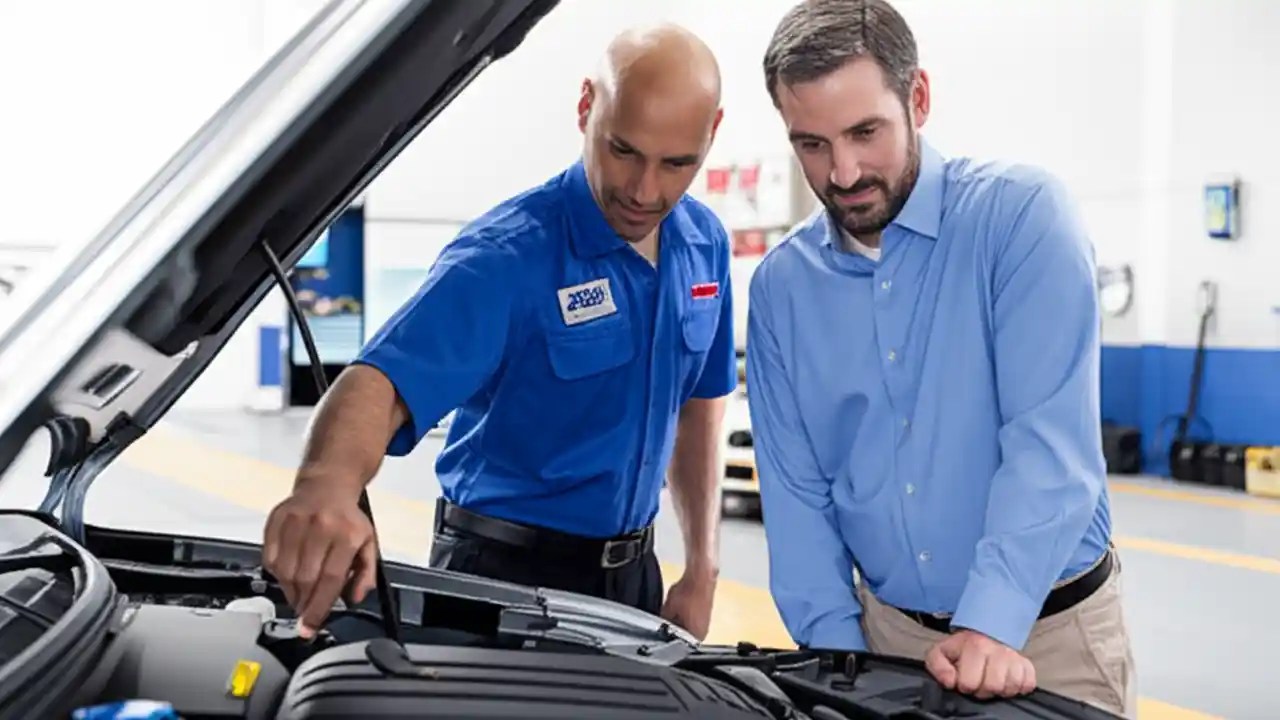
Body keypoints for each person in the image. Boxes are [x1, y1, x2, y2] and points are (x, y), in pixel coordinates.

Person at [261, 23, 736, 642]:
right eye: (623, 151)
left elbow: (698, 404)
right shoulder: (509, 255)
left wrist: (701, 566)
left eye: (677, 164)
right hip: (500, 580)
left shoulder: (704, 246)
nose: (646, 190)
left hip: (632, 586)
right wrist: (325, 487)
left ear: (713, 134)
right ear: (586, 106)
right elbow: (380, 382)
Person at [745, 0, 1136, 716]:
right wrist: (839, 660)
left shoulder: (1020, 220)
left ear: (917, 98)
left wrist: (991, 622)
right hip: (883, 640)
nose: (843, 172)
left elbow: (1048, 450)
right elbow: (797, 493)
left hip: (1045, 638)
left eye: (866, 132)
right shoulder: (782, 289)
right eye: (812, 144)